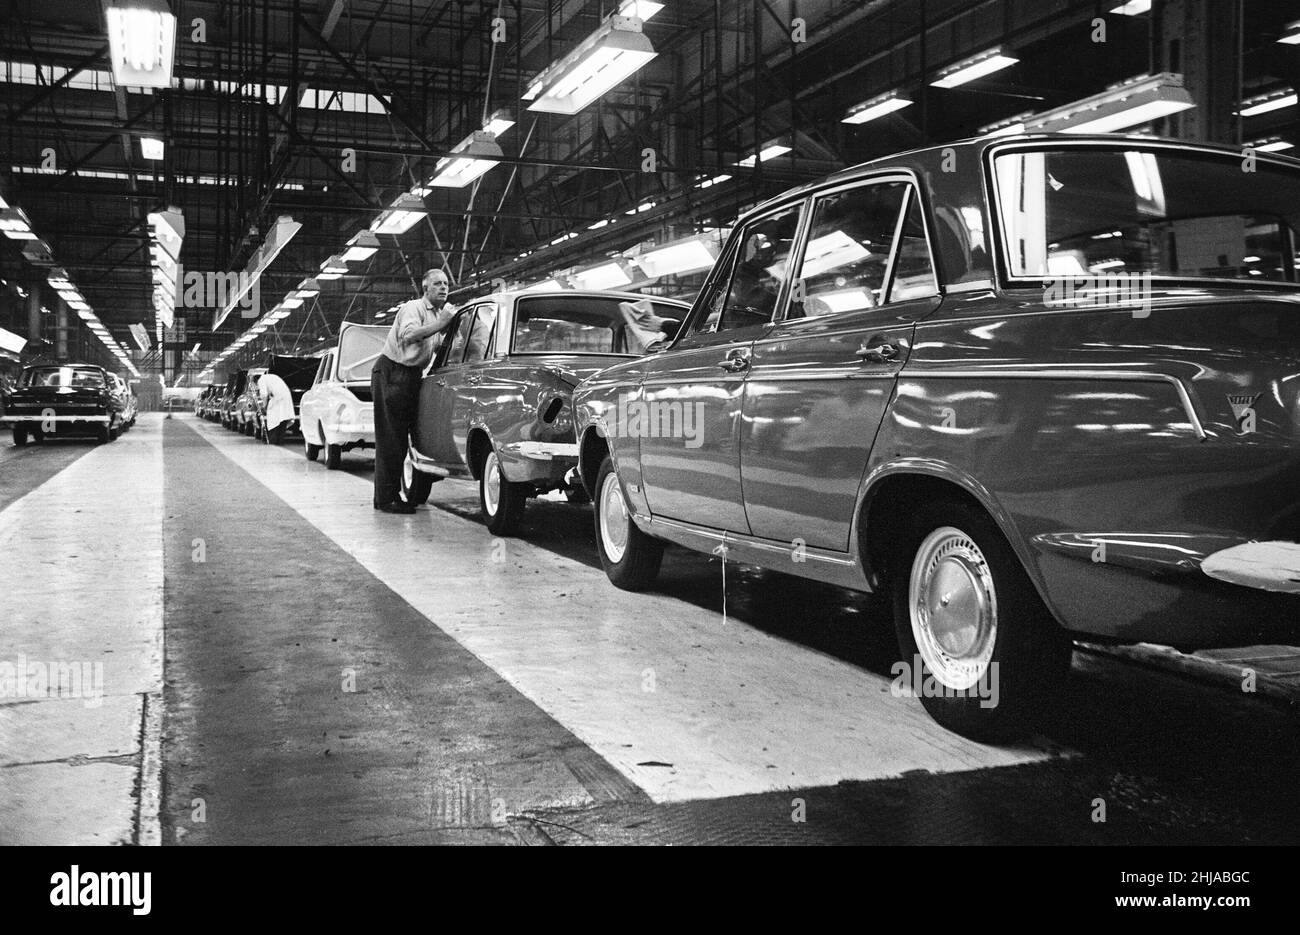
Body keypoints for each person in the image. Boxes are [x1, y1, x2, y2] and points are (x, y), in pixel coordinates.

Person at [371, 269, 456, 513]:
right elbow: (408, 336)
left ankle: (388, 496)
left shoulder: (439, 315)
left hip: (410, 376)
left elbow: (438, 345)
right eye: (437, 284)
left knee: (401, 439)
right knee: (391, 439)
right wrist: (440, 325)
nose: (443, 288)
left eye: (446, 283)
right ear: (425, 288)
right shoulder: (414, 308)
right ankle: (386, 500)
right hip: (392, 372)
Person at [257, 369, 294, 445]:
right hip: (285, 396)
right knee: (283, 419)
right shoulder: (270, 377)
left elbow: (264, 395)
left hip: (278, 398)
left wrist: (263, 407)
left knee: (273, 419)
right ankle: (280, 442)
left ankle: (273, 441)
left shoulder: (261, 380)